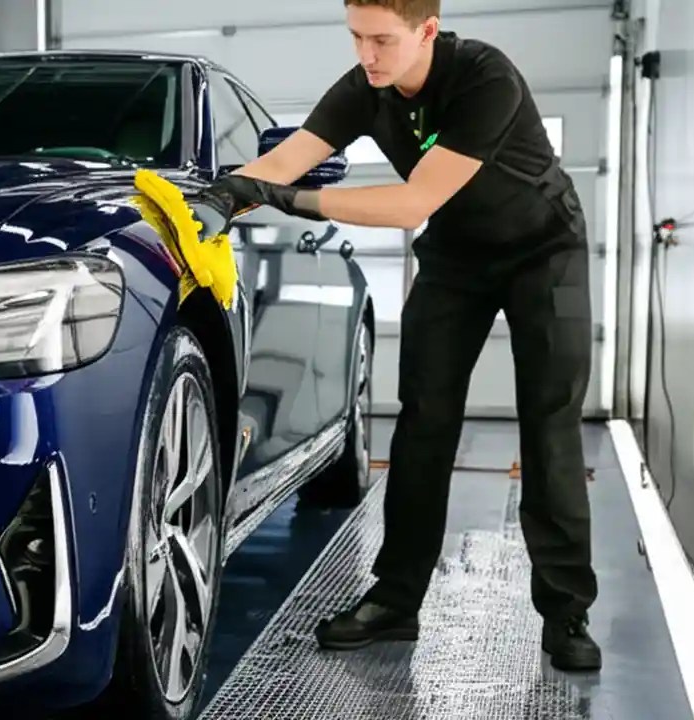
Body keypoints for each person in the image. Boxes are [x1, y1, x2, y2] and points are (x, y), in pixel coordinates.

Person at [189, 0, 601, 671]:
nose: (367, 55)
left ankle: (565, 614)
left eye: (382, 40)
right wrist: (217, 198)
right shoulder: (365, 88)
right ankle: (395, 601)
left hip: (543, 251)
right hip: (456, 259)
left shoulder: (484, 78)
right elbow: (289, 158)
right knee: (423, 422)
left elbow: (413, 202)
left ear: (427, 32)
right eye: (357, 38)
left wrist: (285, 200)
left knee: (549, 427)